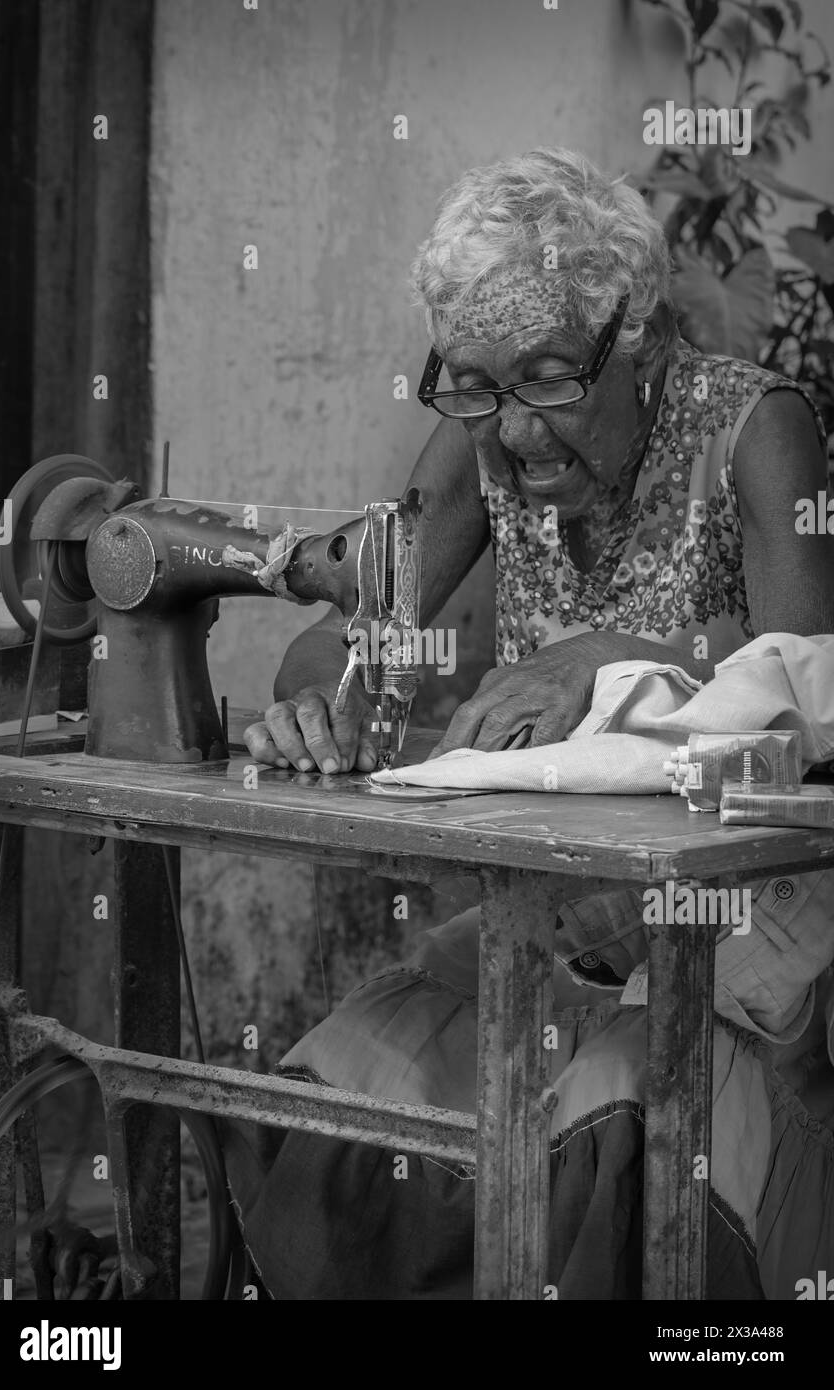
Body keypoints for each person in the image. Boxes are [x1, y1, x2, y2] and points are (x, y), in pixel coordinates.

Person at [223, 148, 834, 1299]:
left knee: (618, 1118)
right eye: (471, 384)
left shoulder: (756, 432)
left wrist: (620, 656)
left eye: (550, 380)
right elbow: (363, 630)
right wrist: (322, 701)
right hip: (554, 922)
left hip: (732, 941)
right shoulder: (480, 442)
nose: (512, 432)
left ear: (641, 343)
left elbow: (814, 689)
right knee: (344, 1096)